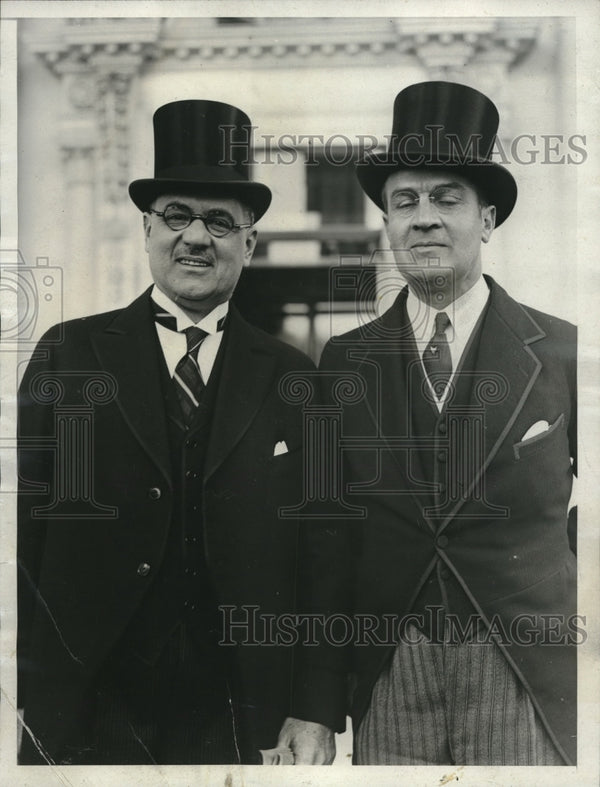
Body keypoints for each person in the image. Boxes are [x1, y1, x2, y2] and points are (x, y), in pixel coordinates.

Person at [279, 81, 577, 766]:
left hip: (522, 673)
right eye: (404, 201)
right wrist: (316, 704)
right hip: (391, 673)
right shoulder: (344, 362)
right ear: (386, 222)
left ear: (487, 218)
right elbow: (326, 540)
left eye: (447, 198)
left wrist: (555, 590)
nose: (425, 218)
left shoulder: (558, 349)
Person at [17, 99, 314, 765]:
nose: (196, 237)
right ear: (148, 228)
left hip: (236, 705)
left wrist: (312, 705)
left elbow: (319, 553)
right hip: (90, 698)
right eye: (177, 216)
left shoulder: (294, 375)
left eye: (219, 220)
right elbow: (24, 528)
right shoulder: (68, 354)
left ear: (250, 242)